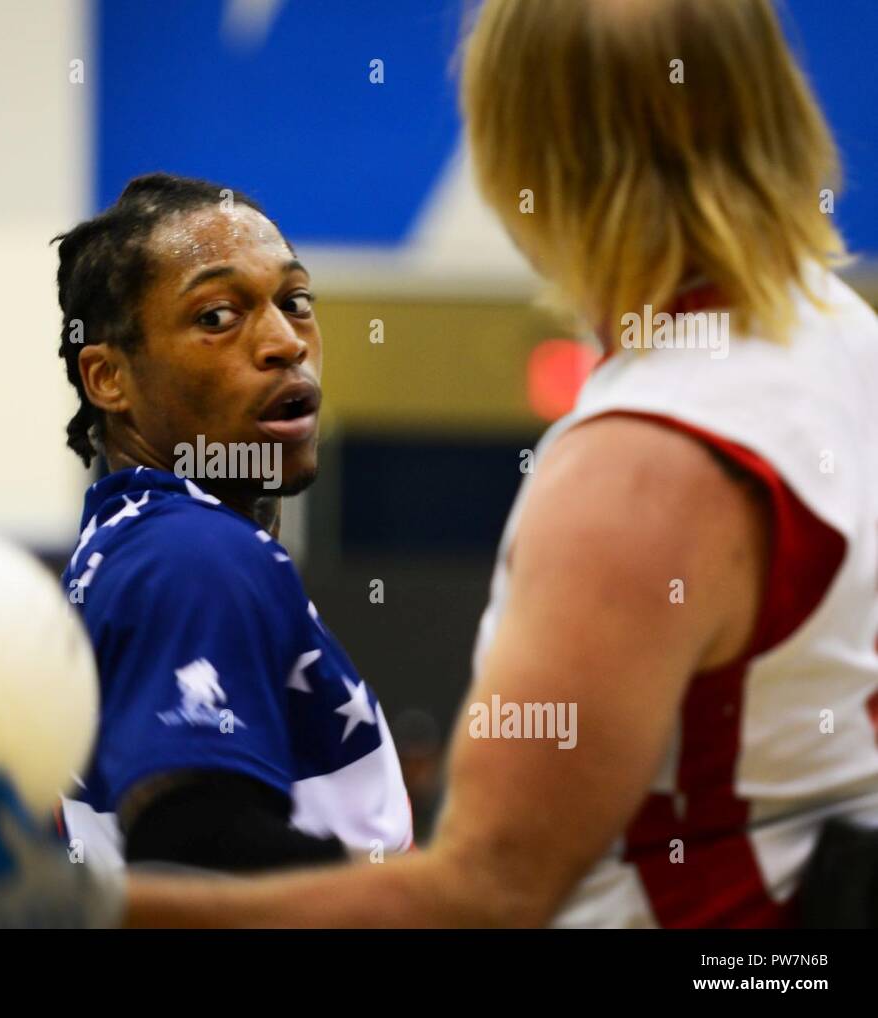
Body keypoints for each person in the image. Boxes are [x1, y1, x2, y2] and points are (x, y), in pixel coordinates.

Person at [113, 0, 878, 927]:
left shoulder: (644, 465)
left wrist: (68, 910)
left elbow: (485, 901)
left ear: (525, 160)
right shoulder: (845, 343)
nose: (283, 343)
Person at [53, 172, 413, 873]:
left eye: (296, 301)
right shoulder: (193, 553)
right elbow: (192, 848)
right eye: (217, 316)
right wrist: (446, 896)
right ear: (108, 378)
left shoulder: (130, 545)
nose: (286, 342)